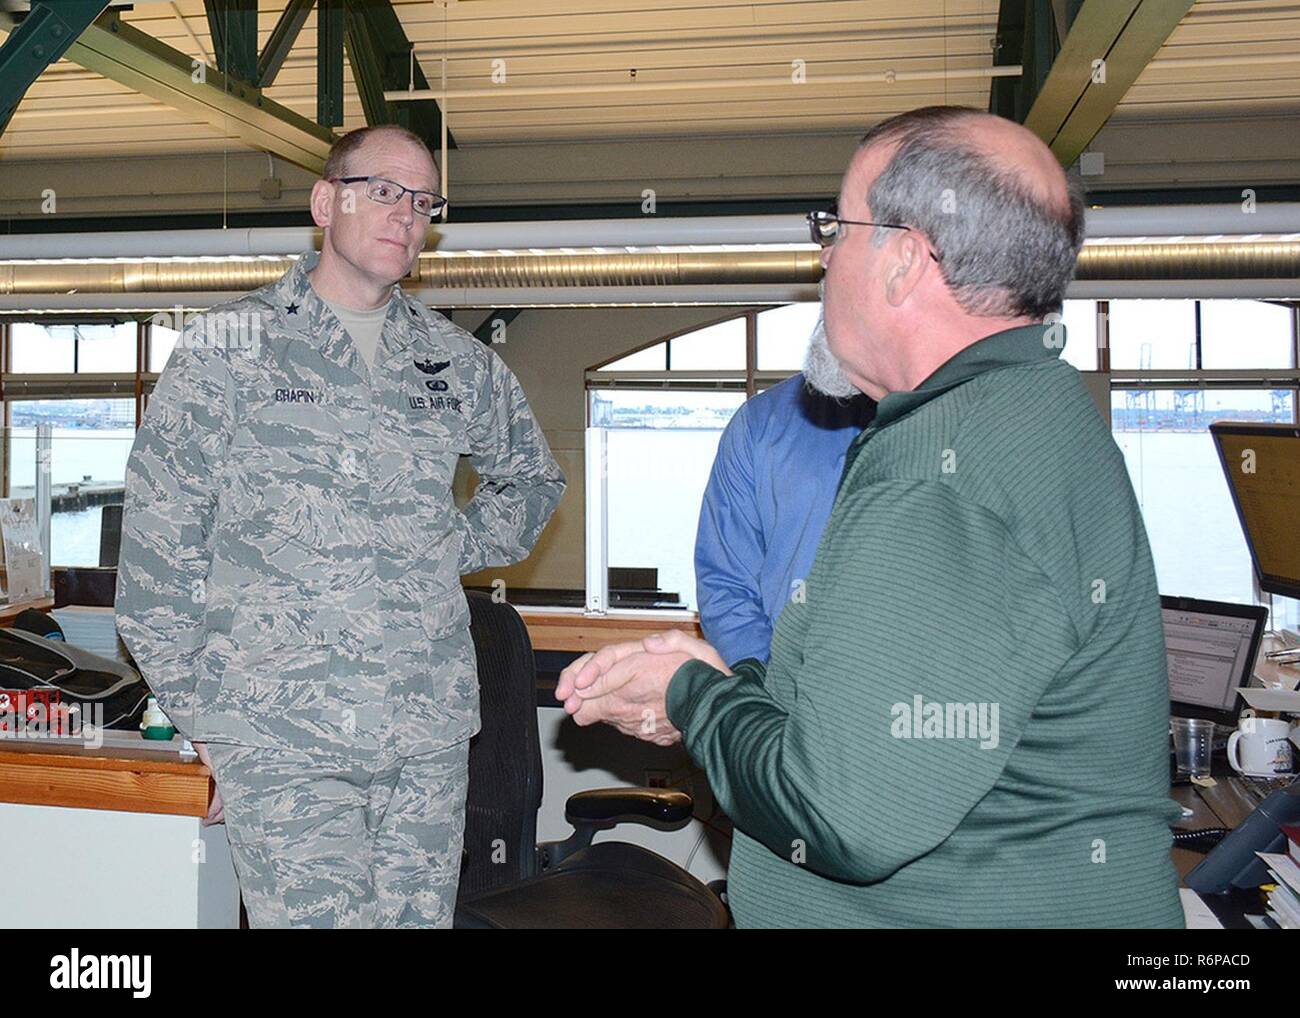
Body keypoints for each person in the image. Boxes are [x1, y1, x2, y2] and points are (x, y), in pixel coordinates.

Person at [557, 105, 1184, 928]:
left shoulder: (943, 473)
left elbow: (841, 816)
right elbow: (874, 727)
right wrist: (730, 686)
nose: (822, 257)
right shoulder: (1028, 410)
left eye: (836, 227)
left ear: (902, 261)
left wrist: (690, 696)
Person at [116, 124, 565, 928]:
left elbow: (532, 479)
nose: (406, 216)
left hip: (425, 734)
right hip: (280, 731)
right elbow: (158, 551)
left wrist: (452, 543)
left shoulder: (454, 361)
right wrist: (203, 717)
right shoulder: (228, 348)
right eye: (384, 191)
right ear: (327, 202)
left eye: (424, 201)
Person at [694, 345, 873, 666]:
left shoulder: (967, 417)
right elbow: (725, 586)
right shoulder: (760, 424)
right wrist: (769, 689)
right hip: (783, 690)